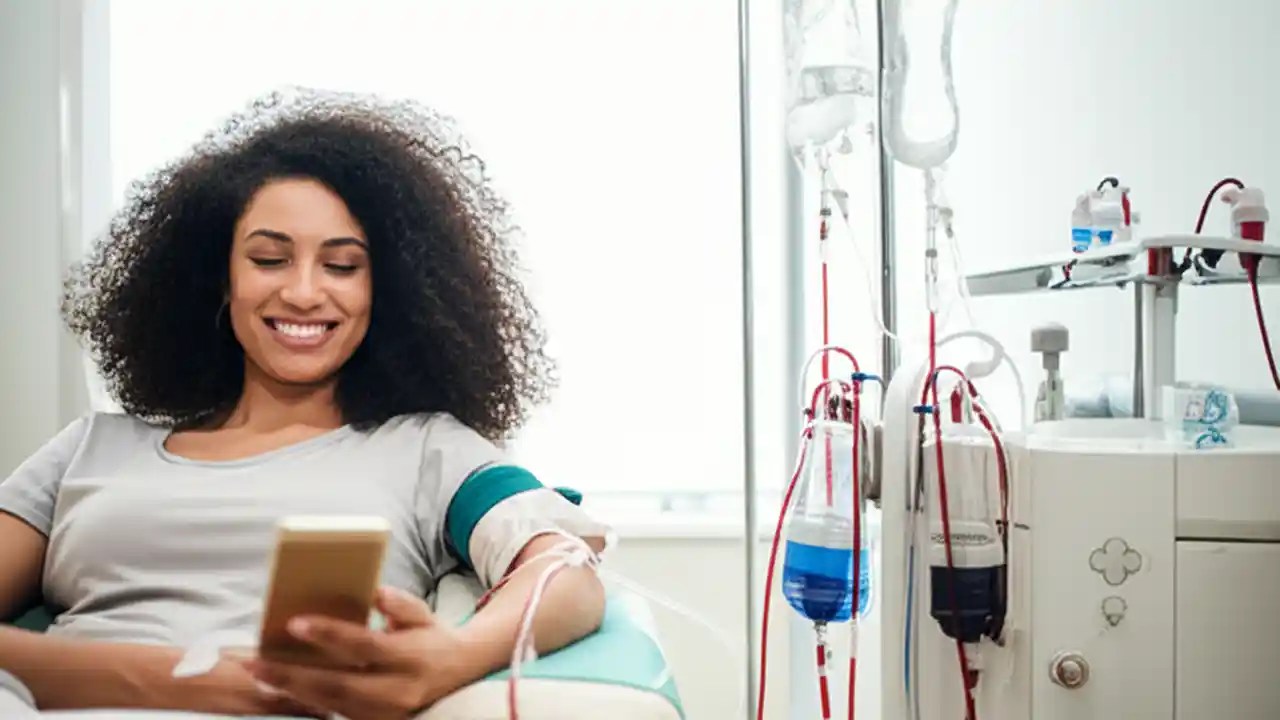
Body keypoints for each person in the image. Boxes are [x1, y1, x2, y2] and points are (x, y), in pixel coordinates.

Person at [0, 88, 609, 718]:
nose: (303, 291)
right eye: (269, 259)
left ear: (387, 290)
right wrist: (169, 681)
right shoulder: (88, 449)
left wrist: (449, 660)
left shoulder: (429, 449)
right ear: (220, 275)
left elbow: (567, 567)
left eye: (342, 266)